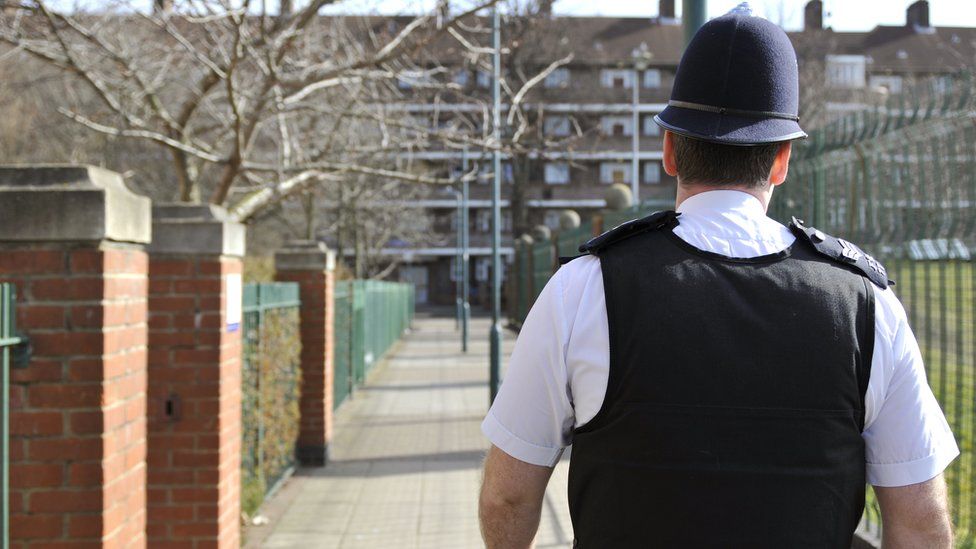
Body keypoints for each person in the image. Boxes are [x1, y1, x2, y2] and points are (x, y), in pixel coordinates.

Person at [478, 7, 959, 549]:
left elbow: (508, 498)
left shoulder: (584, 288)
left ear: (669, 150)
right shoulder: (866, 305)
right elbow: (920, 521)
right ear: (782, 161)